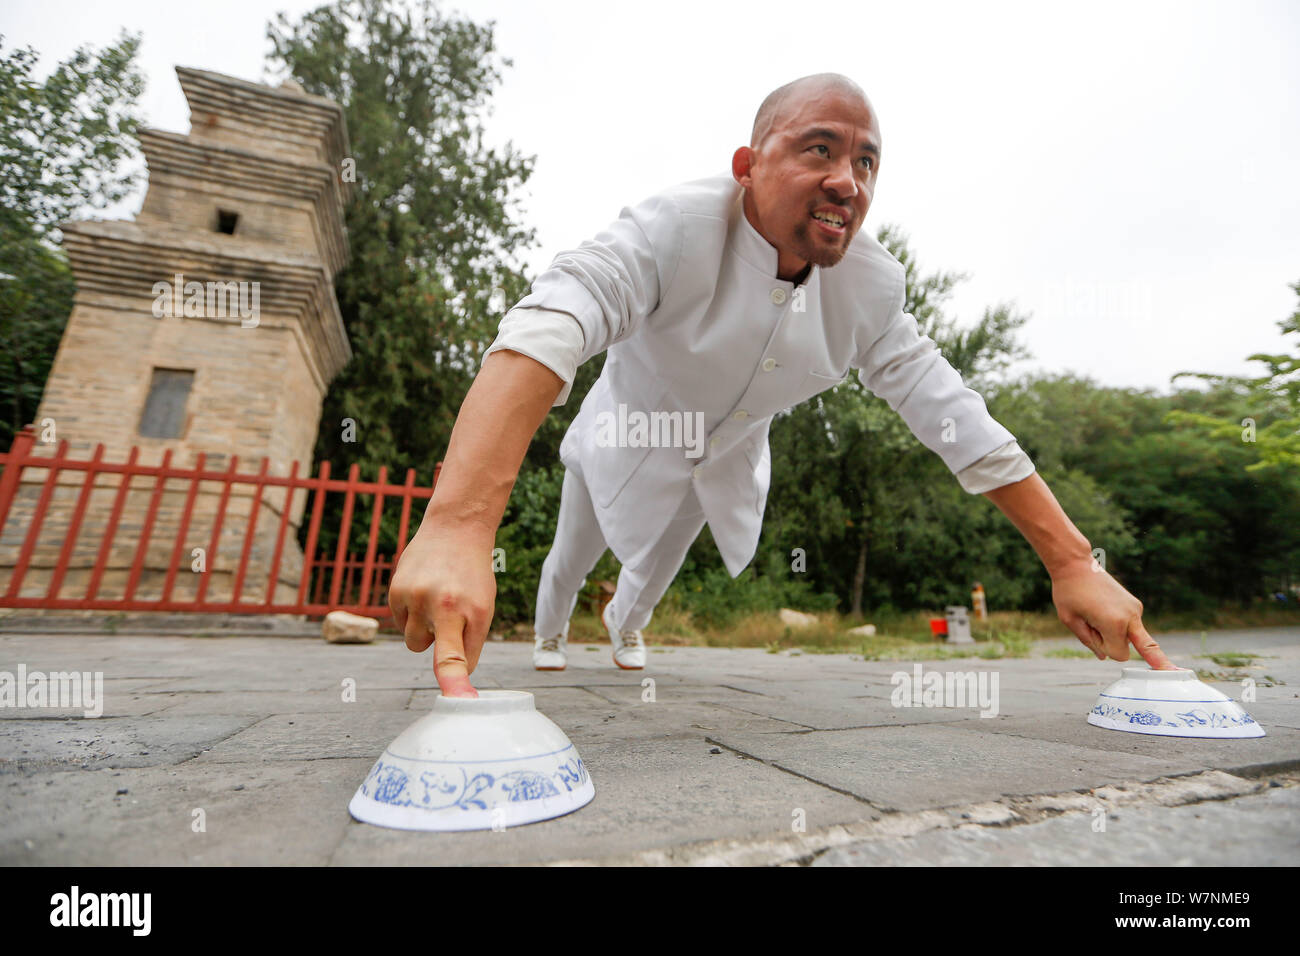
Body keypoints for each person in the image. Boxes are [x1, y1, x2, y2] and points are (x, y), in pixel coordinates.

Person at [388, 73, 1174, 697]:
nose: (847, 180)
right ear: (749, 166)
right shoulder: (673, 229)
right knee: (570, 555)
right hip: (619, 439)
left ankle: (626, 631)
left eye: (866, 162)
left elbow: (952, 414)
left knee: (653, 573)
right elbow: (556, 316)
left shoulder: (871, 292)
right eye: (819, 150)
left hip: (719, 465)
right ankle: (553, 637)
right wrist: (459, 522)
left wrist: (1072, 562)